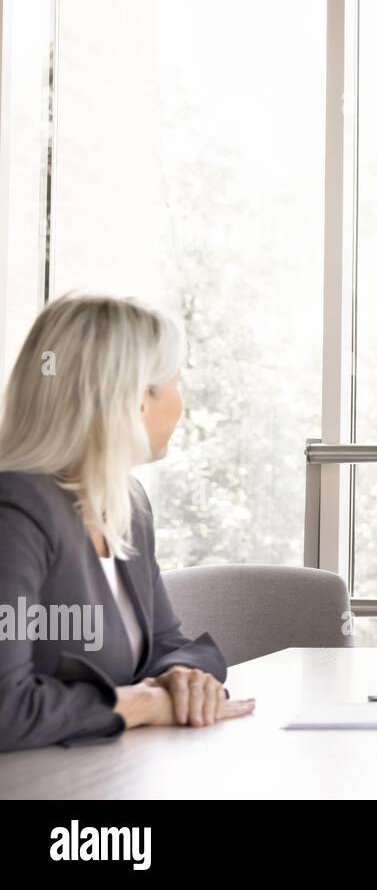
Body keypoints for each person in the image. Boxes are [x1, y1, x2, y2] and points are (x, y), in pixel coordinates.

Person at [0, 293, 254, 751]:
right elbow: (5, 709)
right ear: (136, 401)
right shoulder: (16, 511)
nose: (182, 405)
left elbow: (164, 643)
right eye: (176, 383)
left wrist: (181, 678)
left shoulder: (126, 504)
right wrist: (138, 704)